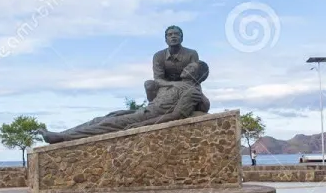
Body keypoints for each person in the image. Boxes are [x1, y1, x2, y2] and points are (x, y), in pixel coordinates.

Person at [42, 61, 211, 143]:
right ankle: (62, 133)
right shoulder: (176, 85)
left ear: (198, 76)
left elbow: (176, 115)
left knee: (108, 124)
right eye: (187, 66)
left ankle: (64, 138)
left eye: (190, 69)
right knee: (103, 118)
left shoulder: (192, 91)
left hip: (148, 117)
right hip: (143, 112)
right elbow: (153, 92)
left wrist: (144, 125)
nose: (185, 69)